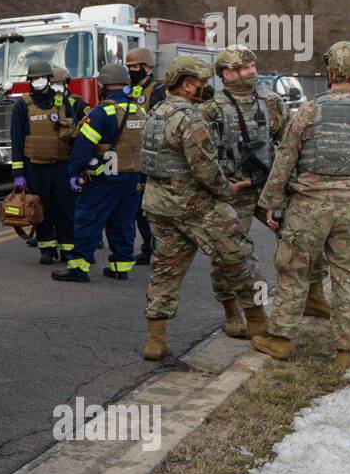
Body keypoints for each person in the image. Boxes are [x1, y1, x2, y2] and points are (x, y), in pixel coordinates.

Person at [251, 41, 350, 372]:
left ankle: (280, 340)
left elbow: (284, 161)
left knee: (294, 271)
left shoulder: (308, 112)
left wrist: (271, 206)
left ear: (331, 71)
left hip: (309, 207)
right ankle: (345, 351)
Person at [139, 56, 267, 359]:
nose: (205, 88)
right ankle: (259, 325)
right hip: (195, 205)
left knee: (165, 269)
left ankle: (156, 339)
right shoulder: (190, 118)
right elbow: (205, 169)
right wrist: (227, 190)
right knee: (239, 256)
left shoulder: (156, 112)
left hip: (159, 205)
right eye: (202, 83)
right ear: (187, 85)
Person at [198, 44, 331, 335]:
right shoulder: (210, 109)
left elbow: (289, 142)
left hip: (268, 186)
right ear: (227, 74)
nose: (253, 72)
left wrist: (295, 182)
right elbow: (200, 155)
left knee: (302, 236)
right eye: (245, 68)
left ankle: (315, 296)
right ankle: (233, 312)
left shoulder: (271, 102)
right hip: (231, 191)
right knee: (229, 254)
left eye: (253, 66)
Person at [51, 61, 145, 283]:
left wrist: (74, 172)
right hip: (133, 175)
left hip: (106, 176)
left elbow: (84, 144)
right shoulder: (139, 110)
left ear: (104, 84)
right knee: (123, 221)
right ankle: (120, 266)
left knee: (88, 218)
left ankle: (78, 267)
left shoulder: (103, 112)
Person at [10, 59, 86, 265]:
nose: (38, 81)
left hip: (61, 164)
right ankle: (47, 249)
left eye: (41, 77)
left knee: (65, 209)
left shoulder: (63, 102)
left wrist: (76, 169)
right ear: (29, 81)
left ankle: (67, 248)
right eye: (34, 79)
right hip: (34, 166)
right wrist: (18, 174)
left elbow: (76, 135)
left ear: (50, 79)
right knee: (41, 209)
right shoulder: (22, 105)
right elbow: (16, 140)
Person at [127, 47, 166, 266]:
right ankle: (148, 247)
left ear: (147, 67)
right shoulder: (129, 90)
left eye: (136, 67)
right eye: (130, 67)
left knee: (153, 206)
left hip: (153, 156)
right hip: (133, 156)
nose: (132, 71)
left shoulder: (159, 89)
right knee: (139, 208)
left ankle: (158, 247)